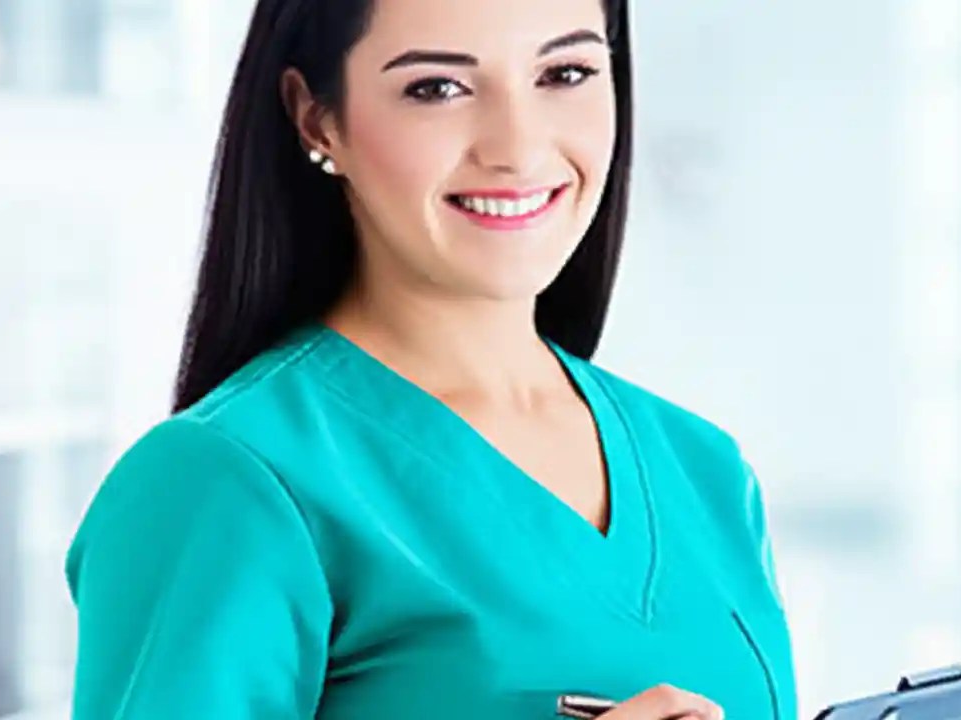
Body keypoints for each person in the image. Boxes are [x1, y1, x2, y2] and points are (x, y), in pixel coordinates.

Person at [64, 0, 797, 717]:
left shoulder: (704, 470)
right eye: (437, 87)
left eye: (565, 73)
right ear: (316, 116)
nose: (518, 147)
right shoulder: (224, 481)